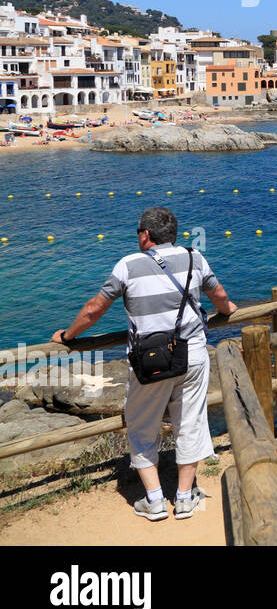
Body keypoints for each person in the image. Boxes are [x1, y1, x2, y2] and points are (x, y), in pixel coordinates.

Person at [52, 207, 238, 522]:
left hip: (149, 361)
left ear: (145, 235)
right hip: (192, 354)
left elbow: (95, 309)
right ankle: (183, 498)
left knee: (140, 425)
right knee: (190, 423)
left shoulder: (128, 265)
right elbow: (218, 294)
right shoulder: (195, 258)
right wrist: (228, 308)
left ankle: (153, 500)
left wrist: (67, 335)